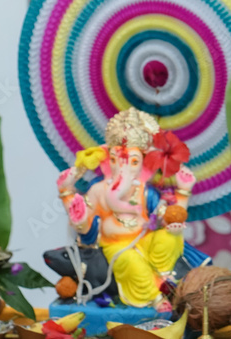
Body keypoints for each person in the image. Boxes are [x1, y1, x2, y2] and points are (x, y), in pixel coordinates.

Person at [56, 108, 198, 310]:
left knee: (168, 238)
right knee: (131, 262)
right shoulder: (98, 190)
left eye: (133, 162)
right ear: (108, 160)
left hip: (145, 239)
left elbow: (168, 218)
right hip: (116, 246)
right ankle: (155, 298)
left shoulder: (144, 191)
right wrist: (67, 193)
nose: (123, 169)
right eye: (115, 160)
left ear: (143, 164)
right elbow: (84, 228)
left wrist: (183, 191)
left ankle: (164, 276)